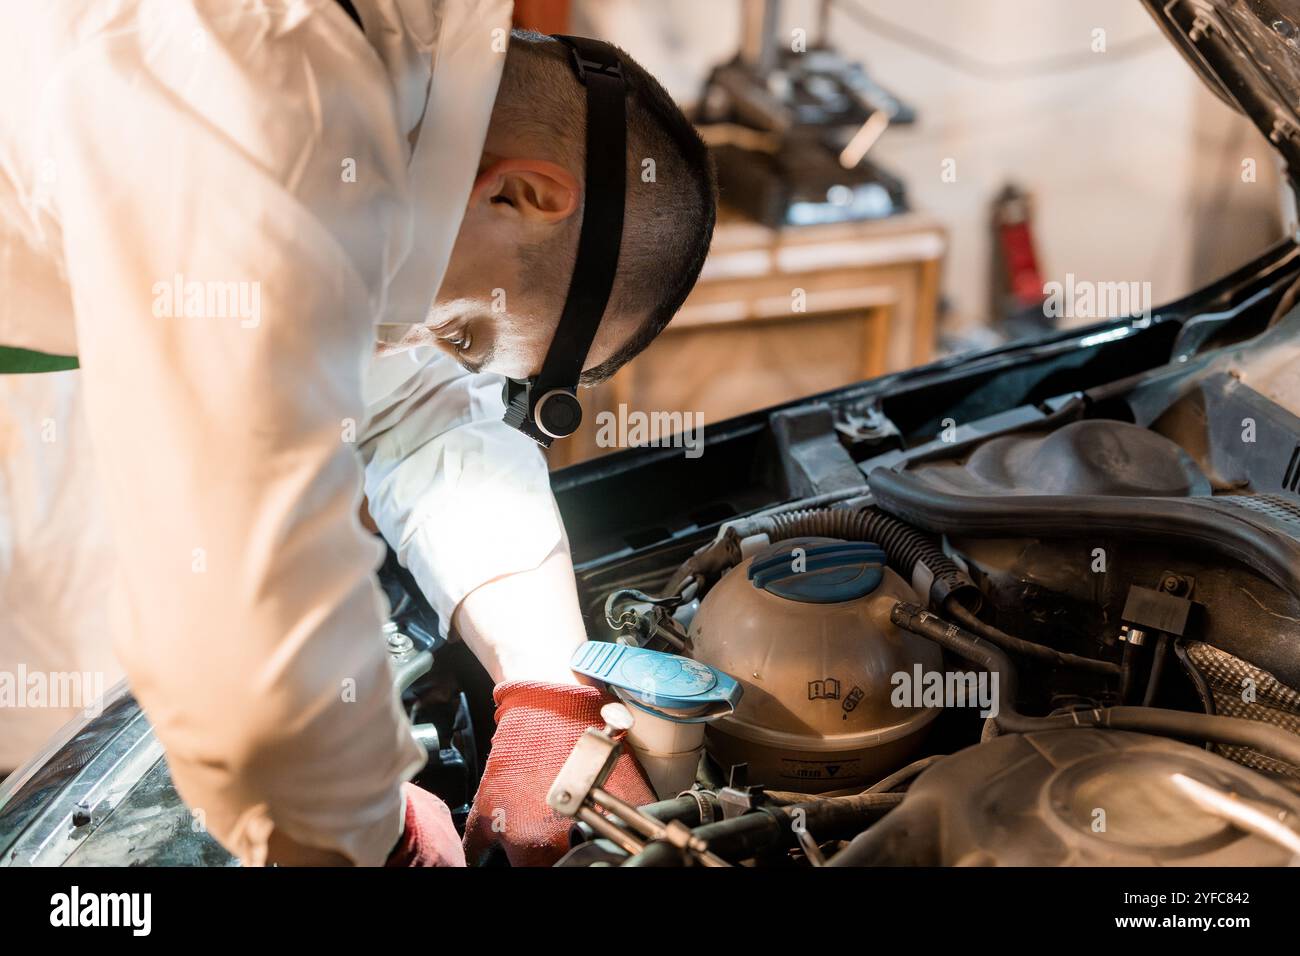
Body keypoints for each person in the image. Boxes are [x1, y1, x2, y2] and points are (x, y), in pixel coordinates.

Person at [0, 0, 716, 867]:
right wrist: (373, 831)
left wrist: (546, 692)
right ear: (524, 193)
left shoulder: (389, 98)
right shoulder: (275, 97)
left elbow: (418, 410)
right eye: (467, 334)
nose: (427, 342)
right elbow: (249, 634)